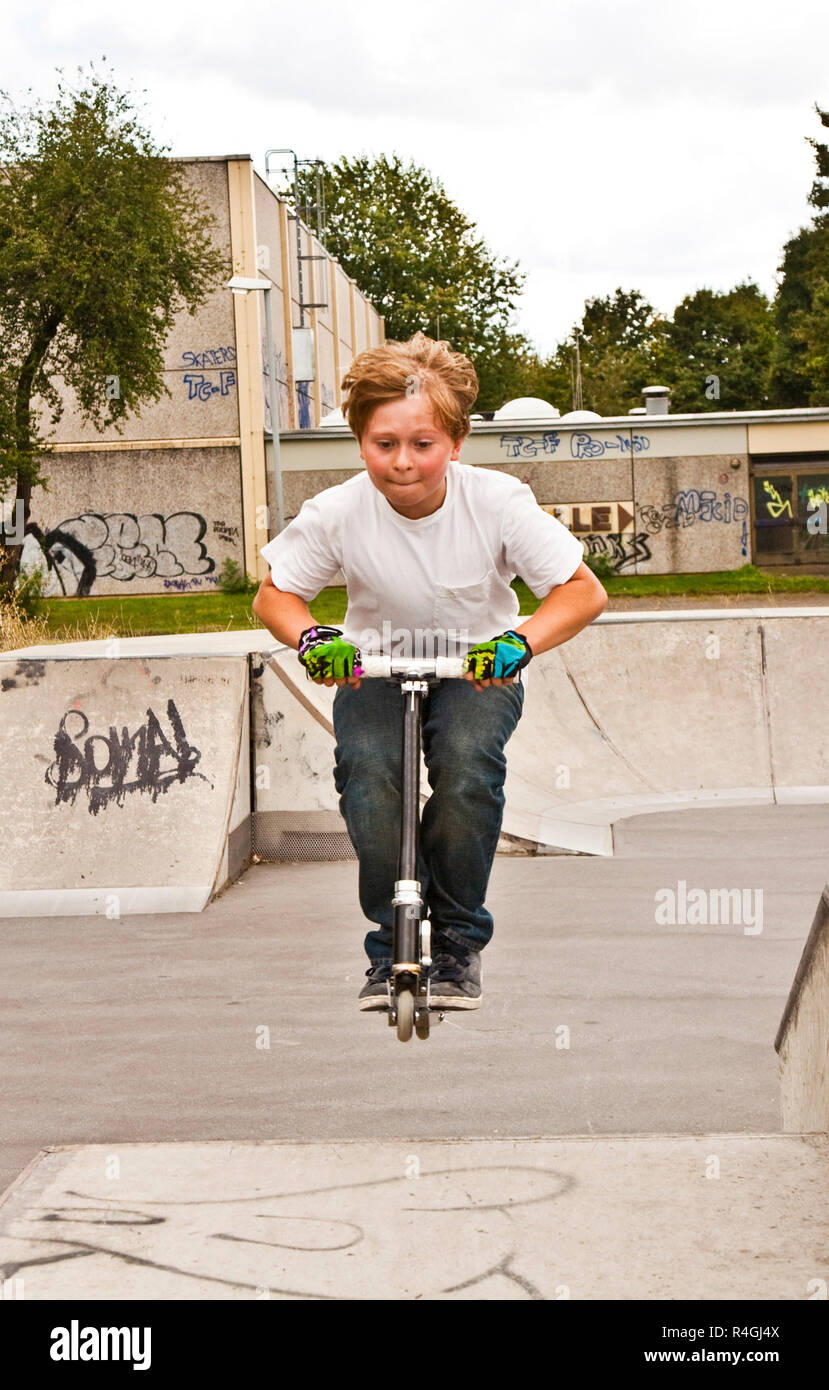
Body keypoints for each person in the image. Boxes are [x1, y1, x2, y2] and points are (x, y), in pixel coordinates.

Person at [252, 332, 607, 1012]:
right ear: (360, 442)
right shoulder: (337, 510)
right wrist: (312, 637)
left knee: (467, 766)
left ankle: (455, 944)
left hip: (477, 667)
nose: (403, 463)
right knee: (369, 777)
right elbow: (275, 595)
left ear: (454, 443)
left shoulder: (498, 501)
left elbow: (581, 590)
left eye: (423, 445)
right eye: (384, 444)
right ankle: (390, 945)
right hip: (375, 669)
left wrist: (519, 642)